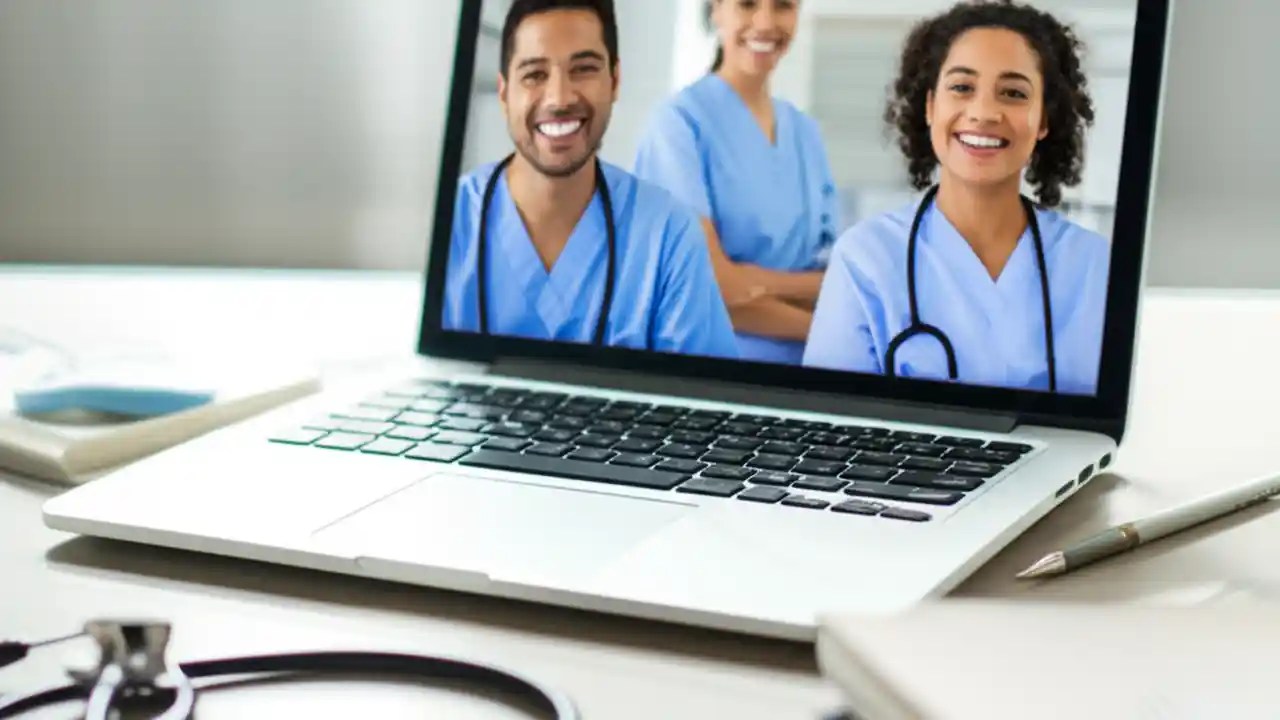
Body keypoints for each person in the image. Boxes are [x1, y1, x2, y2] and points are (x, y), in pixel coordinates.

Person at [803, 0, 1109, 395]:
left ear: (1044, 120)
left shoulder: (1094, 266)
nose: (984, 112)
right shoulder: (866, 259)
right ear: (931, 106)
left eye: (1013, 93)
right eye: (962, 87)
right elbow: (833, 417)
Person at [443, 0, 738, 359]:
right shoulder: (452, 220)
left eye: (583, 69)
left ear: (614, 81)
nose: (559, 99)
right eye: (534, 74)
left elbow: (698, 386)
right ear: (505, 93)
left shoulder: (667, 234)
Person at [631, 0, 839, 365]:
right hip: (712, 375)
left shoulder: (805, 132)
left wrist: (751, 281)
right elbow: (707, 289)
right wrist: (831, 331)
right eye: (747, 4)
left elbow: (836, 283)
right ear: (716, 10)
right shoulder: (679, 124)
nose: (765, 22)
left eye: (783, 6)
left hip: (808, 375)